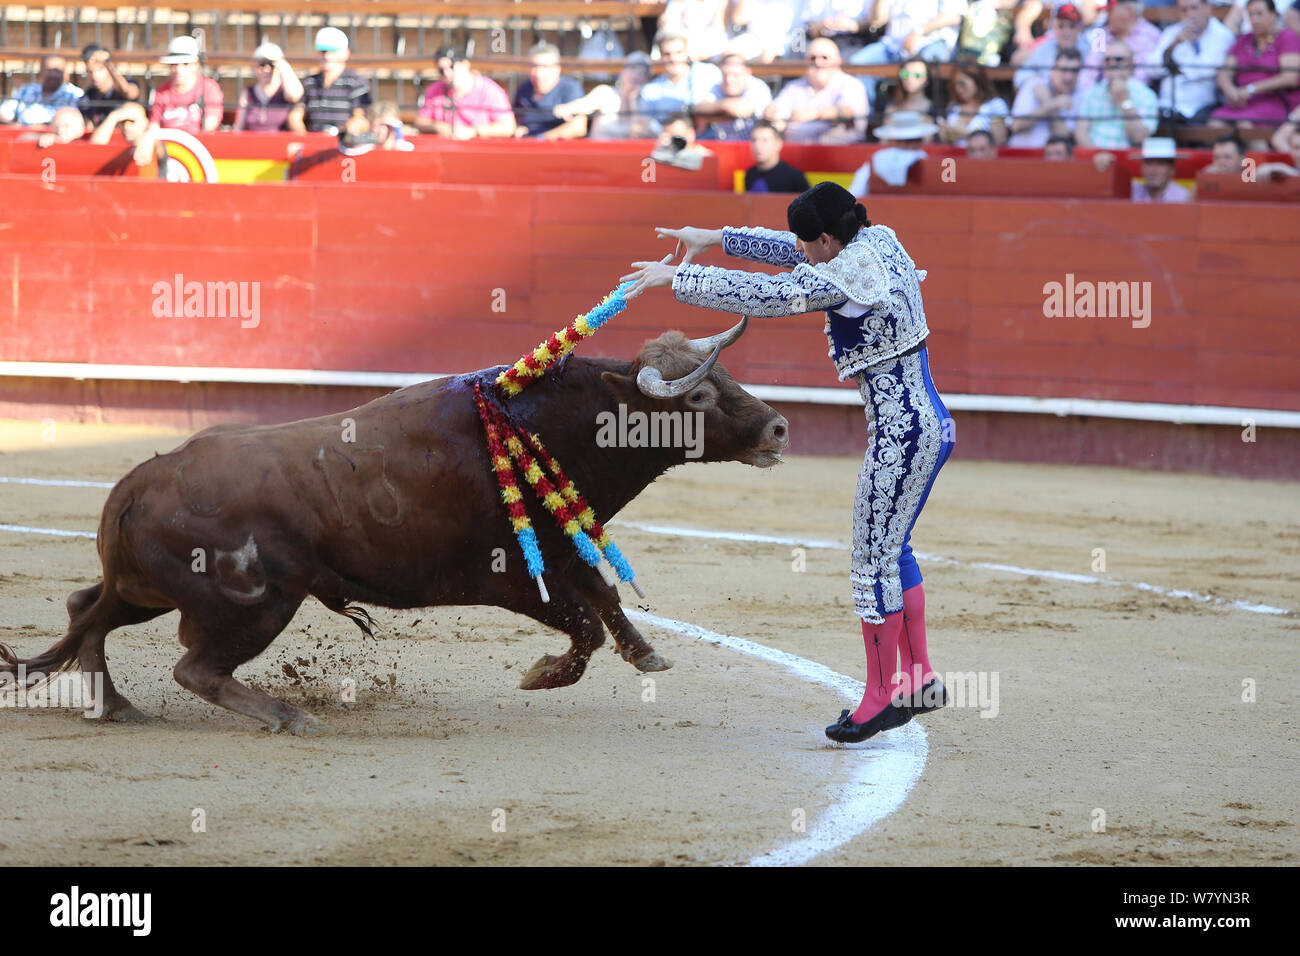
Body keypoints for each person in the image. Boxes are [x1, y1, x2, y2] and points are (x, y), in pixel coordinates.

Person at [620, 182, 955, 742]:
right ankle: (918, 676)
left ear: (828, 238)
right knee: (893, 551)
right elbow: (792, 251)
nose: (802, 249)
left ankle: (880, 696)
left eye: (810, 241)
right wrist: (717, 238)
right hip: (926, 421)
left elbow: (769, 296)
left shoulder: (841, 272)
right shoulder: (876, 238)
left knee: (872, 563)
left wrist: (676, 279)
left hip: (901, 432)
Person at [849, 0, 970, 103]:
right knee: (857, 64)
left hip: (930, 43)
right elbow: (877, 21)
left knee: (918, 69)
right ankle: (865, 121)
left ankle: (930, 116)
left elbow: (953, 16)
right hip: (893, 46)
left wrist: (918, 32)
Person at [1210, 0, 1300, 126]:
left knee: (1245, 125)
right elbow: (1224, 72)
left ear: (1273, 15)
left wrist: (1251, 89)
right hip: (1242, 101)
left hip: (1275, 101)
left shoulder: (1287, 37)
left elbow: (1290, 78)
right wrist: (1230, 91)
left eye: (1259, 14)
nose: (1254, 19)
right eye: (1251, 14)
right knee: (1215, 124)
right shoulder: (1243, 39)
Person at [1144, 0, 1236, 123]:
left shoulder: (1222, 35)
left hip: (1202, 107)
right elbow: (1151, 69)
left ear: (1208, 8)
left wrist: (1174, 68)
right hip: (1167, 107)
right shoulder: (1172, 33)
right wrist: (1173, 46)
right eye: (1184, 10)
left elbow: (1206, 70)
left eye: (1194, 8)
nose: (1189, 14)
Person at [765, 36, 870, 143]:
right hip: (794, 152)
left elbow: (848, 113)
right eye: (812, 58)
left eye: (824, 57)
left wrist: (817, 114)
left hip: (838, 153)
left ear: (838, 61)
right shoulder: (794, 86)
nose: (818, 62)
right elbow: (778, 112)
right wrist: (773, 115)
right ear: (806, 61)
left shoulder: (851, 84)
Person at [416, 44, 516, 138]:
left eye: (451, 67)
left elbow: (508, 127)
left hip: (480, 150)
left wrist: (473, 131)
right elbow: (420, 121)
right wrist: (438, 127)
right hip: (445, 149)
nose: (446, 73)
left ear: (465, 64)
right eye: (441, 70)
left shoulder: (489, 90)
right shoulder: (434, 90)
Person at [553, 52, 660, 139]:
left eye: (642, 73)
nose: (636, 75)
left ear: (647, 79)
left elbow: (647, 133)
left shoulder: (648, 103)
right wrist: (567, 108)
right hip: (600, 155)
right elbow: (584, 105)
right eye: (632, 68)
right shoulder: (605, 93)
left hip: (629, 159)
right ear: (622, 72)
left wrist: (634, 101)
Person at [1074, 40, 1159, 148]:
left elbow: (1138, 138)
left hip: (1127, 160)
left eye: (1119, 59)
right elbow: (1081, 134)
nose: (1112, 63)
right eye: (1107, 60)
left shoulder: (1146, 95)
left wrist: (1125, 100)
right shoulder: (1092, 93)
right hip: (1095, 159)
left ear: (1132, 64)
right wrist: (1097, 155)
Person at [289, 27, 371, 135]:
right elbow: (295, 116)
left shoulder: (356, 82)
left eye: (333, 51)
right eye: (323, 51)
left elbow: (361, 119)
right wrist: (305, 138)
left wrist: (339, 132)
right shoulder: (309, 82)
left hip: (344, 145)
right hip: (314, 142)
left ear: (346, 53)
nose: (327, 56)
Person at [1076, 0, 1162, 93]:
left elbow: (1143, 77)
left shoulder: (1151, 34)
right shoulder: (1101, 35)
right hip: (1101, 95)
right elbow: (1089, 72)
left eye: (1110, 11)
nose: (1107, 17)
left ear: (1128, 10)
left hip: (1136, 97)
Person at [638, 31, 724, 120]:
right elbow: (646, 125)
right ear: (660, 57)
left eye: (678, 52)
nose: (673, 59)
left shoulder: (710, 73)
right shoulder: (650, 91)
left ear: (687, 53)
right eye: (667, 54)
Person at [1008, 47, 1082, 147]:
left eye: (1074, 71)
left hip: (1054, 159)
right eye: (1064, 70)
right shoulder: (1034, 84)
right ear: (1053, 69)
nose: (1068, 77)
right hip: (1022, 153)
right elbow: (1016, 125)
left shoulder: (1081, 95)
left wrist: (1048, 103)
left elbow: (1063, 136)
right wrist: (1053, 104)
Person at [850, 109, 937, 195]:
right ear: (920, 140)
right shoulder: (924, 158)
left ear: (894, 140)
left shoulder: (876, 159)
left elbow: (856, 192)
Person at [149, 36, 222, 134]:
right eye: (174, 64)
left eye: (186, 64)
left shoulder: (209, 88)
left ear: (196, 65)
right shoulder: (161, 91)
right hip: (167, 146)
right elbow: (154, 126)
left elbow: (210, 124)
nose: (179, 69)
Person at [513, 42, 586, 139]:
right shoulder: (524, 89)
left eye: (545, 67)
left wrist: (542, 139)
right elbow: (515, 120)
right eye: (534, 66)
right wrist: (518, 128)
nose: (539, 73)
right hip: (526, 146)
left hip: (559, 149)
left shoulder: (570, 88)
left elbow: (578, 127)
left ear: (557, 69)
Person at [694, 51, 774, 140]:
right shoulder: (717, 87)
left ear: (747, 73)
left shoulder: (758, 86)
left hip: (752, 148)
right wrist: (724, 105)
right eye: (725, 75)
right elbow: (698, 107)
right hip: (723, 146)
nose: (729, 80)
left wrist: (717, 107)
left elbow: (742, 109)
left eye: (735, 75)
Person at [1011, 3, 1089, 90]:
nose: (1066, 32)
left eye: (1071, 26)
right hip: (1048, 98)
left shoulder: (1088, 51)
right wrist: (1040, 87)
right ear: (1055, 28)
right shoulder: (1045, 49)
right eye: (1061, 26)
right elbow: (1020, 77)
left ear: (1079, 28)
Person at [937, 59, 1009, 145]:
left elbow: (999, 140)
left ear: (977, 81)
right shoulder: (953, 107)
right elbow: (949, 143)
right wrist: (945, 134)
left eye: (962, 83)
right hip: (956, 157)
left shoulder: (995, 105)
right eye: (954, 84)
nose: (958, 89)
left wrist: (966, 134)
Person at [234, 42, 303, 132]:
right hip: (253, 144)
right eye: (262, 64)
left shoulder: (284, 91)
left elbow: (295, 95)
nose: (266, 69)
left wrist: (282, 64)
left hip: (280, 144)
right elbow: (238, 127)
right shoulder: (248, 93)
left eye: (271, 65)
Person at [1, 54, 84, 126]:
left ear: (66, 74)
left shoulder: (75, 94)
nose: (53, 74)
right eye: (49, 70)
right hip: (22, 138)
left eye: (57, 70)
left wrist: (44, 128)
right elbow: (3, 112)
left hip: (57, 140)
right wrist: (14, 126)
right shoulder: (26, 90)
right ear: (41, 72)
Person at [78, 44, 140, 129]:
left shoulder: (126, 83)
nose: (94, 76)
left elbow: (128, 92)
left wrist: (108, 64)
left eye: (100, 69)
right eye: (90, 71)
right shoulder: (88, 95)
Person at [745, 119, 811, 191]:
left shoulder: (794, 177)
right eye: (754, 140)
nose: (757, 146)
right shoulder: (750, 174)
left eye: (765, 140)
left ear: (778, 144)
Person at [657, 0, 731, 61]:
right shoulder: (678, 2)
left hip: (709, 42)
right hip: (685, 42)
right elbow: (672, 24)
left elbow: (718, 28)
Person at [1130, 135, 1191, 200]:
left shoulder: (1182, 198)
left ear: (1172, 169)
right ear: (1142, 168)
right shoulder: (1132, 192)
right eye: (1149, 163)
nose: (1153, 171)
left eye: (1160, 164)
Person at [879, 58, 936, 125]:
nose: (910, 78)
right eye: (905, 74)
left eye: (917, 75)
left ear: (927, 79)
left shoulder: (934, 110)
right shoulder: (891, 109)